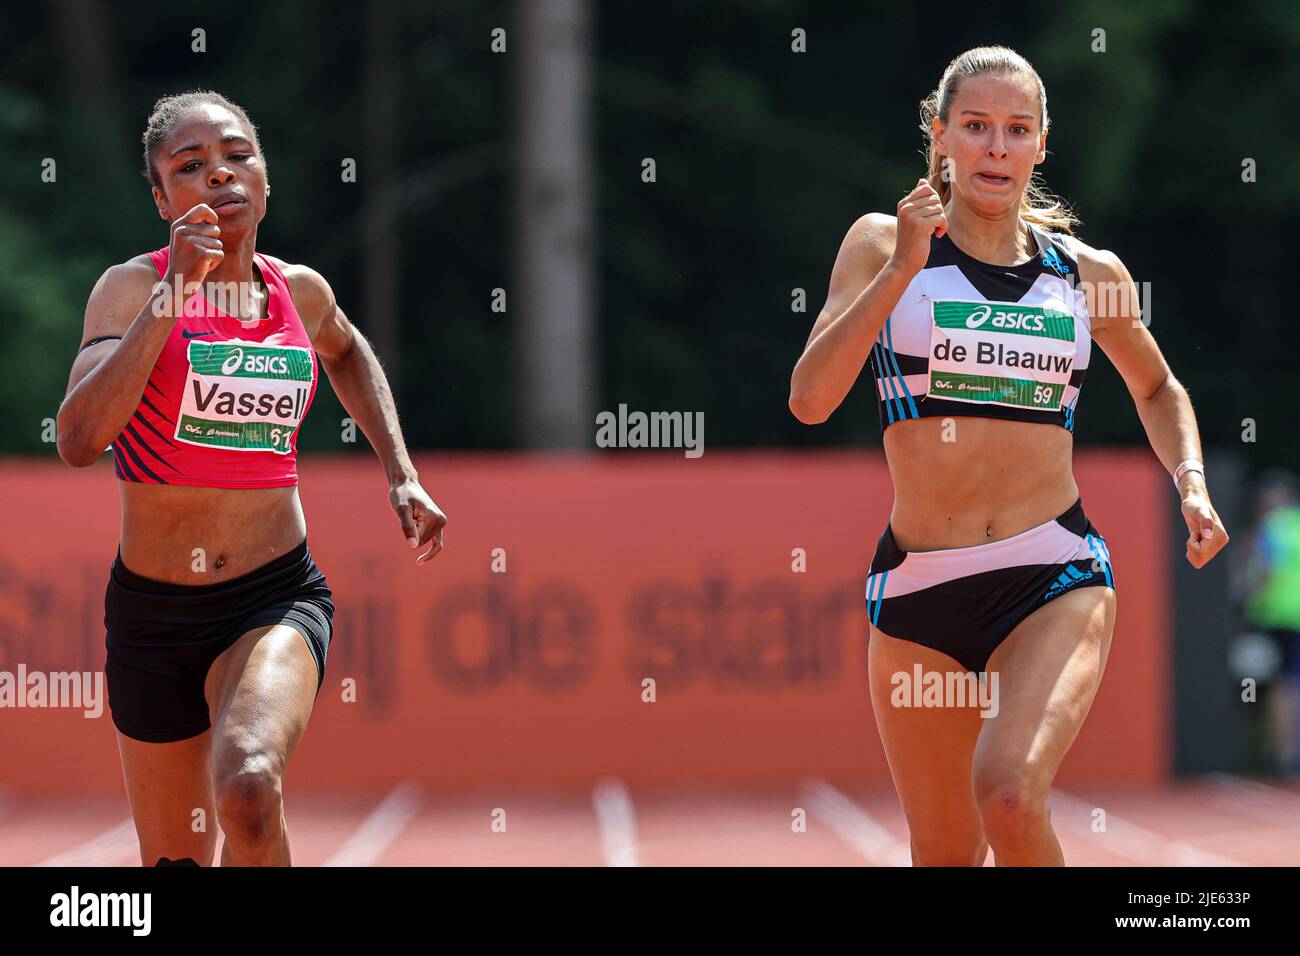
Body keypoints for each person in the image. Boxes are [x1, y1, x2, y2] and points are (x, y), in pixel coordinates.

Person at [788, 46, 1228, 865]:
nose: (996, 148)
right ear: (941, 135)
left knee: (1012, 795)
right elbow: (810, 400)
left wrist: (1192, 483)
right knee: (947, 849)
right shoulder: (880, 244)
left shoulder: (1086, 274)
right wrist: (899, 273)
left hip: (1052, 569)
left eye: (1017, 130)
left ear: (1041, 145)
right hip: (920, 589)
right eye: (977, 127)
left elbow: (1159, 388)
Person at [55, 90, 448, 866]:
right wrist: (174, 299)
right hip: (155, 615)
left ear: (265, 178)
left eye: (239, 156)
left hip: (273, 594)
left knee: (249, 790)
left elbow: (346, 350)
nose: (221, 176)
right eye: (191, 166)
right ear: (162, 196)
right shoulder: (130, 290)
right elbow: (77, 439)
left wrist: (401, 473)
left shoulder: (300, 292)